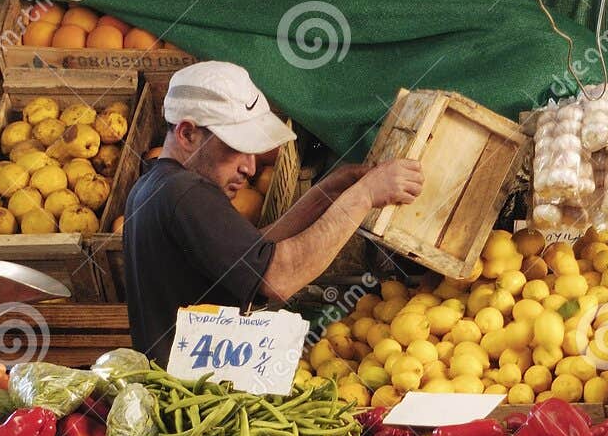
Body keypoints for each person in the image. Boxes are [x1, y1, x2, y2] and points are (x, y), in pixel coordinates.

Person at [123, 60, 424, 360]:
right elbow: (278, 277)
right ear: (188, 134)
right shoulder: (185, 192)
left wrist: (327, 193)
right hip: (193, 396)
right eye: (235, 146)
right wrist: (365, 195)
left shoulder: (156, 187)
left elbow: (254, 255)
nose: (249, 167)